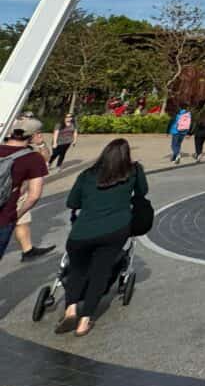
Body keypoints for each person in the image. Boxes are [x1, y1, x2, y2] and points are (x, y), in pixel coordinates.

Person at [57, 138, 148, 336]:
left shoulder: (87, 174)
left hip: (82, 232)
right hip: (115, 230)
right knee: (100, 273)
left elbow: (72, 201)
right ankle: (85, 321)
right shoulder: (133, 171)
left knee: (77, 270)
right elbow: (142, 192)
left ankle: (71, 309)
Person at [0, 120, 54, 262]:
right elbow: (34, 196)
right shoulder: (33, 158)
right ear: (34, 135)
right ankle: (28, 251)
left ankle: (28, 249)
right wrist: (16, 215)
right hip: (5, 216)